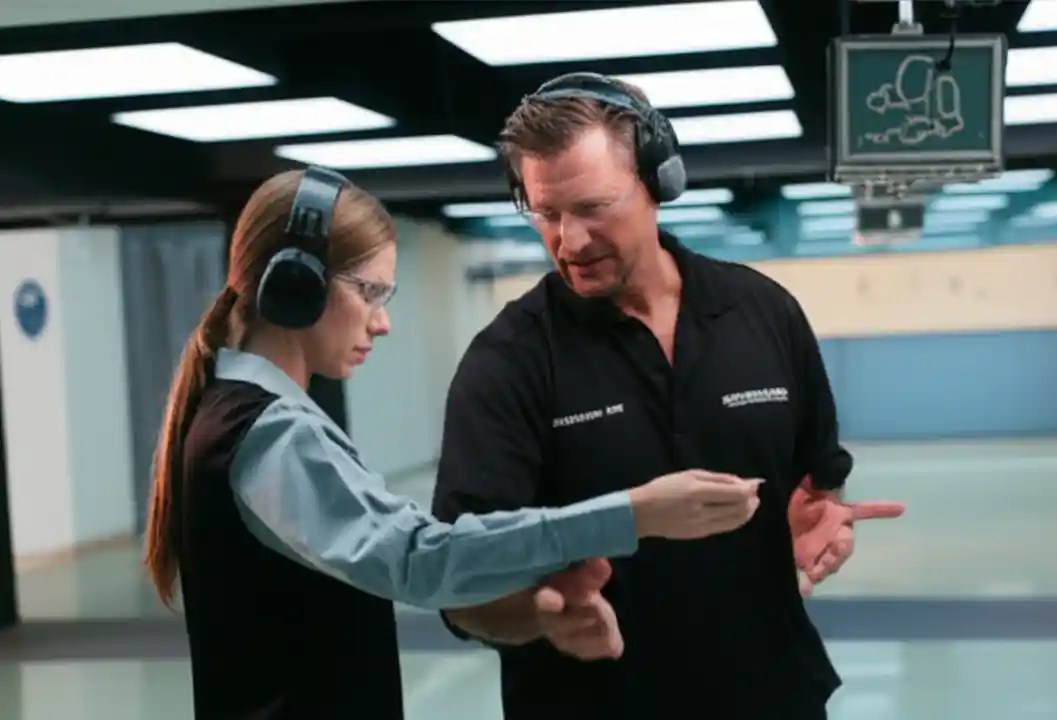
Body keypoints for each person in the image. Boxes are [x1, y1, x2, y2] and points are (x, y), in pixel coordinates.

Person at [140, 166, 765, 720]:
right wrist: (632, 513)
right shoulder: (270, 432)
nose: (381, 321)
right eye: (369, 292)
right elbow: (421, 559)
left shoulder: (235, 416)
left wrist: (538, 611)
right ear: (296, 285)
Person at [431, 72, 907, 720]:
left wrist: (807, 522)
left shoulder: (763, 313)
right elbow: (457, 580)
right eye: (546, 213)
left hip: (772, 697)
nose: (569, 241)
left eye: (593, 207)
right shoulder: (508, 362)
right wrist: (535, 616)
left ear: (660, 180)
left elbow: (813, 481)